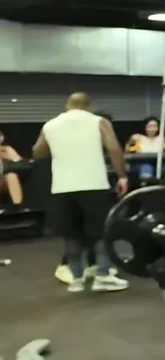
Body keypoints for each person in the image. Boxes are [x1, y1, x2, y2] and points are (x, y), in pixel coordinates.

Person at [34, 93, 130, 293]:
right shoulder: (99, 121)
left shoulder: (50, 125)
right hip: (93, 185)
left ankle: (77, 279)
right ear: (88, 106)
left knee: (72, 235)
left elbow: (37, 152)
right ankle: (102, 276)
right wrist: (122, 176)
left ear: (67, 105)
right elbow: (114, 148)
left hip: (62, 188)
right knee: (100, 233)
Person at [0, 130, 24, 207]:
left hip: (3, 179)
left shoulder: (7, 150)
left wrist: (10, 157)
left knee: (11, 176)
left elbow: (20, 163)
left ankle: (18, 207)